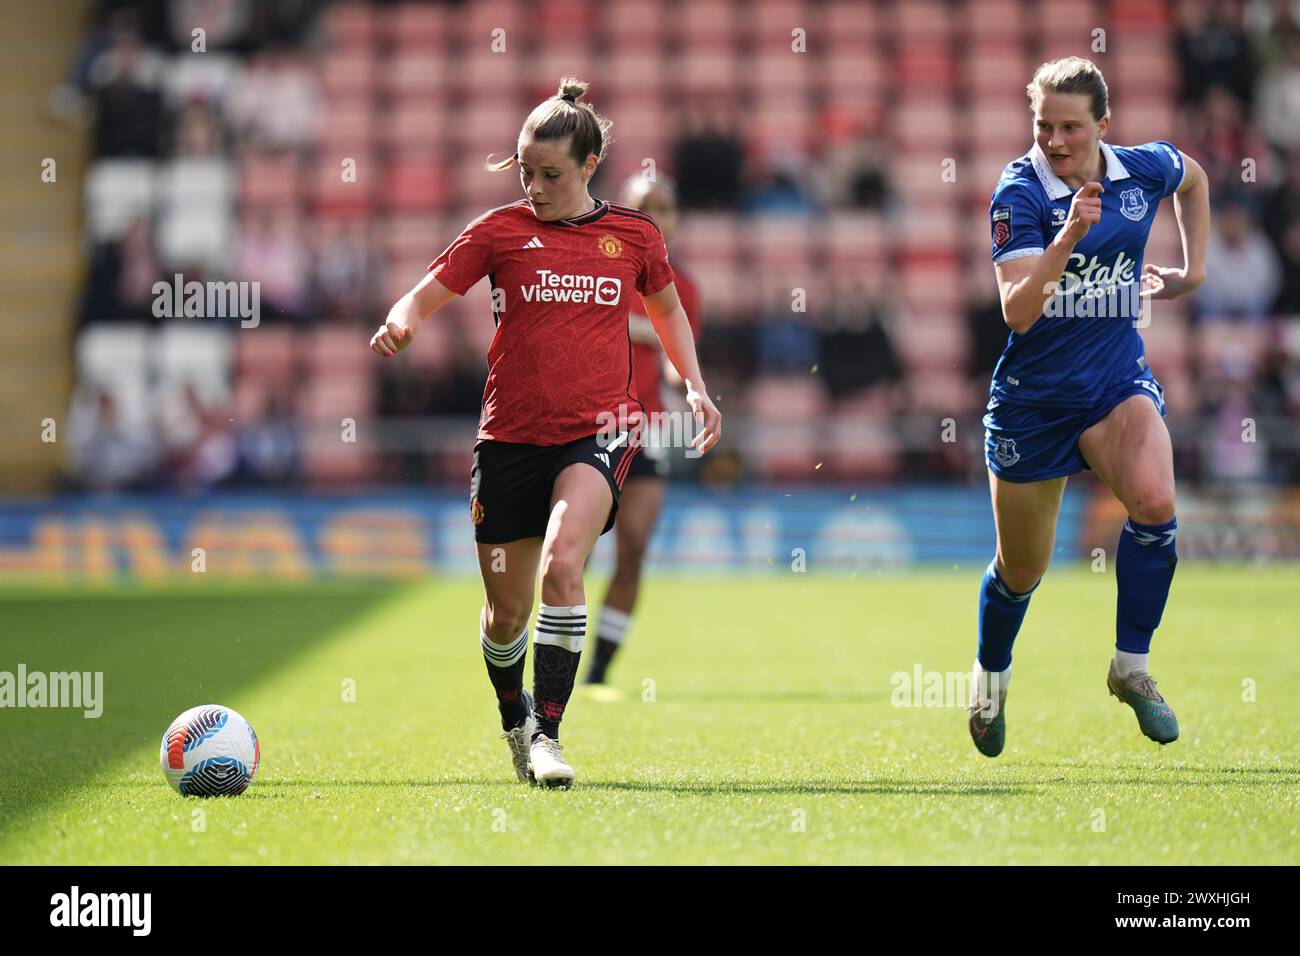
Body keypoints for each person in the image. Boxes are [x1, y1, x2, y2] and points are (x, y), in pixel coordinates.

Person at [369, 77, 721, 788]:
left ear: (590, 165)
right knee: (506, 616)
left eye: (550, 174)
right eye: (526, 171)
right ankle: (515, 722)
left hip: (601, 430)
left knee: (567, 562)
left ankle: (550, 736)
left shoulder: (634, 236)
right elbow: (428, 288)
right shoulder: (499, 233)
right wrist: (403, 320)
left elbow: (668, 312)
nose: (534, 185)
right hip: (509, 439)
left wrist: (695, 384)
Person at [970, 57, 1209, 757]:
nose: (1055, 139)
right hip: (1033, 404)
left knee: (1157, 503)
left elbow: (1192, 177)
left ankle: (1130, 668)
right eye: (1044, 124)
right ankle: (991, 683)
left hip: (1112, 385)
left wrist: (1194, 272)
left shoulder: (1140, 169)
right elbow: (1017, 313)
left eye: (1071, 126)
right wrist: (1069, 235)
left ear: (1103, 125)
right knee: (1022, 571)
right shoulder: (1019, 193)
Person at [583, 173, 699, 694]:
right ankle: (550, 654)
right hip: (584, 424)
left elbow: (680, 362)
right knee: (572, 551)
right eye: (644, 205)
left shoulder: (684, 288)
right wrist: (652, 333)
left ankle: (600, 670)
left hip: (645, 425)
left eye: (664, 205)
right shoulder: (596, 271)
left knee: (632, 547)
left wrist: (684, 378)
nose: (656, 214)